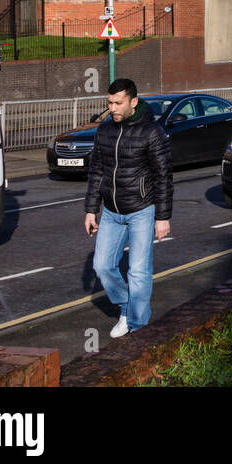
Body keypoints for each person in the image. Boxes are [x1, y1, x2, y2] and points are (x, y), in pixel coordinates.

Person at [84, 78, 173, 338]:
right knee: (102, 266)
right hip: (111, 212)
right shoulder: (104, 130)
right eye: (109, 103)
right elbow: (97, 171)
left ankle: (137, 326)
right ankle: (126, 307)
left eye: (118, 103)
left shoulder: (152, 132)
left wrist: (163, 217)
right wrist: (91, 210)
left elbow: (163, 176)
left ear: (133, 102)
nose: (113, 108)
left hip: (142, 210)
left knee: (138, 271)